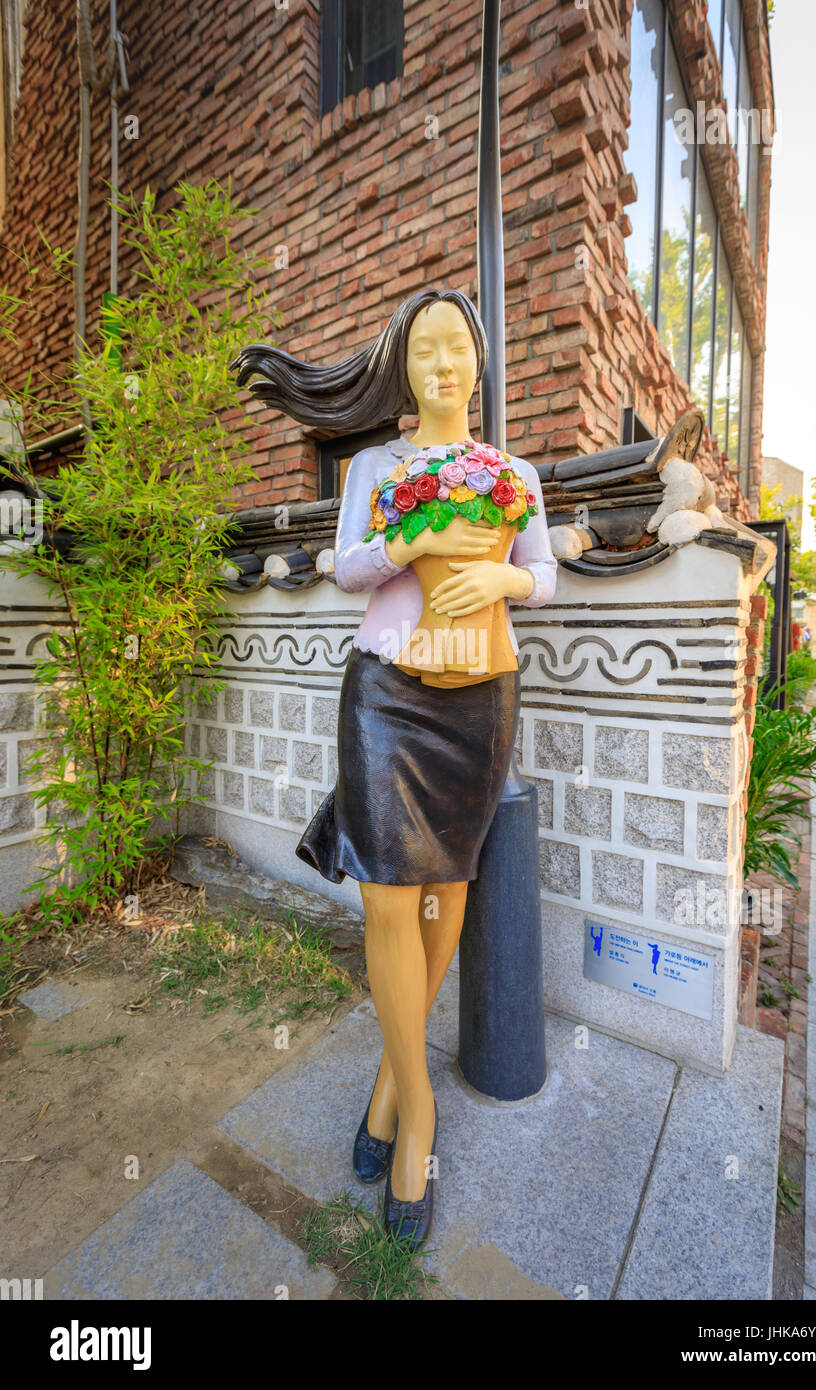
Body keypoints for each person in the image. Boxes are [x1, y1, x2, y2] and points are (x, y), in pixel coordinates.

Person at [235, 289, 557, 1248]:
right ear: (406, 370)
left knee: (444, 893)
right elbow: (342, 567)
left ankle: (386, 1085)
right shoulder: (374, 465)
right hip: (387, 695)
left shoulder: (516, 474)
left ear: (482, 361)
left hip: (479, 701)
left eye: (459, 345)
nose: (445, 363)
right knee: (387, 896)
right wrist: (406, 542)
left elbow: (547, 575)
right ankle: (420, 1116)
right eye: (426, 350)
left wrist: (507, 578)